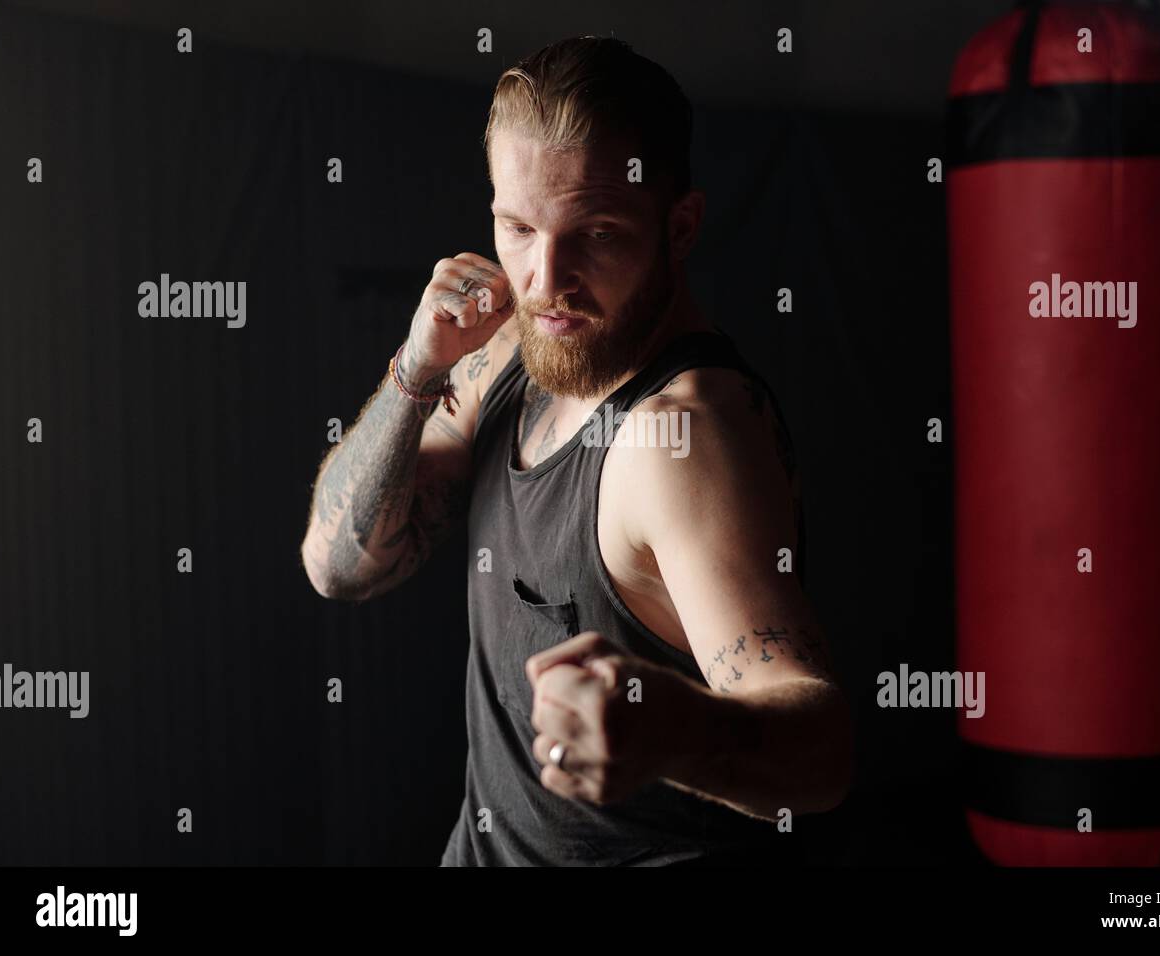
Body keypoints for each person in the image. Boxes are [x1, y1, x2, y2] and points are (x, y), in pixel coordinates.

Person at [300, 35, 852, 866]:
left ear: (681, 226)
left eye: (595, 234)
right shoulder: (504, 352)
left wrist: (676, 729)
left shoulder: (682, 436)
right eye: (518, 227)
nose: (545, 281)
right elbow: (338, 566)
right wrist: (417, 370)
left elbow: (823, 754)